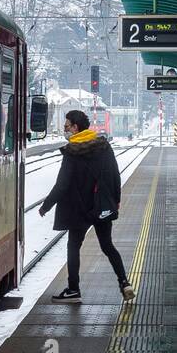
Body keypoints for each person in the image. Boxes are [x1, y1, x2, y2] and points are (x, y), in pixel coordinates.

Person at [39, 110, 135, 303]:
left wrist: (46, 206)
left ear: (75, 127)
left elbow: (62, 184)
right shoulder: (104, 147)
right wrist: (115, 200)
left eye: (67, 126)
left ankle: (73, 289)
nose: (65, 129)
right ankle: (124, 282)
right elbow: (115, 175)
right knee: (107, 246)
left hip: (79, 208)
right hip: (101, 205)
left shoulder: (72, 152)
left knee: (73, 246)